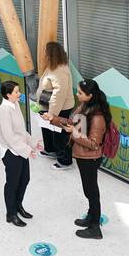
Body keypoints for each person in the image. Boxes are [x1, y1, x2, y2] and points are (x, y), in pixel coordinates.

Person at [49, 79, 109, 240]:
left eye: (80, 93)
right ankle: (91, 216)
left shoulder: (97, 117)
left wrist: (74, 132)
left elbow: (94, 144)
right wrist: (53, 118)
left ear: (89, 96)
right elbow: (72, 123)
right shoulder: (84, 107)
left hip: (90, 158)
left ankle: (95, 228)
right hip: (83, 156)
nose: (77, 94)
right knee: (88, 190)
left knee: (92, 192)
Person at [0, 81, 40, 226]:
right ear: (8, 95)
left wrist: (33, 143)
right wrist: (28, 150)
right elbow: (9, 136)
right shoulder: (4, 110)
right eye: (16, 92)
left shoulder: (15, 105)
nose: (19, 93)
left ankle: (18, 205)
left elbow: (21, 131)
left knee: (25, 179)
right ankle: (11, 213)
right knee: (12, 183)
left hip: (20, 149)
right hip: (11, 152)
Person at [36, 41, 75, 169]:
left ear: (51, 54)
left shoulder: (60, 70)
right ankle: (50, 150)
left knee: (60, 134)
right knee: (47, 130)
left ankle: (65, 160)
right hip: (47, 105)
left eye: (46, 52)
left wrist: (52, 114)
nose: (44, 54)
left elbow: (59, 94)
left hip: (59, 108)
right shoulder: (53, 66)